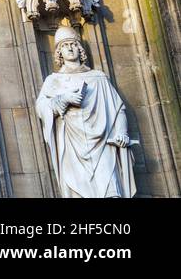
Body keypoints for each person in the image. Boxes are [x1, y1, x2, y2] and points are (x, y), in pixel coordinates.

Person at [36, 21, 136, 198]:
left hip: (102, 144)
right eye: (65, 46)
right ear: (59, 52)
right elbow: (42, 107)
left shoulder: (98, 78)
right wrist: (63, 99)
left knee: (111, 190)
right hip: (72, 147)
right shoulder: (54, 81)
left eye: (73, 44)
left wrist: (121, 132)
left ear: (80, 49)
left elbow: (118, 109)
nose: (70, 49)